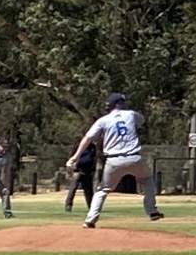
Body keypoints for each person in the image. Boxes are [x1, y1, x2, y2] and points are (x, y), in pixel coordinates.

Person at [68, 93, 163, 228]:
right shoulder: (131, 114)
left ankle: (90, 220)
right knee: (147, 180)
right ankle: (152, 211)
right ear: (119, 104)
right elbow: (141, 122)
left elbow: (87, 138)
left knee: (102, 190)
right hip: (134, 158)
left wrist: (75, 157)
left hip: (114, 161)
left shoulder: (103, 120)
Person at [64, 137, 99, 214]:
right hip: (78, 170)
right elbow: (73, 155)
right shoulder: (78, 146)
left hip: (88, 171)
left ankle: (91, 207)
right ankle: (68, 206)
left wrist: (93, 169)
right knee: (73, 189)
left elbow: (94, 158)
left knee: (88, 191)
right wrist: (73, 166)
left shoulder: (93, 147)